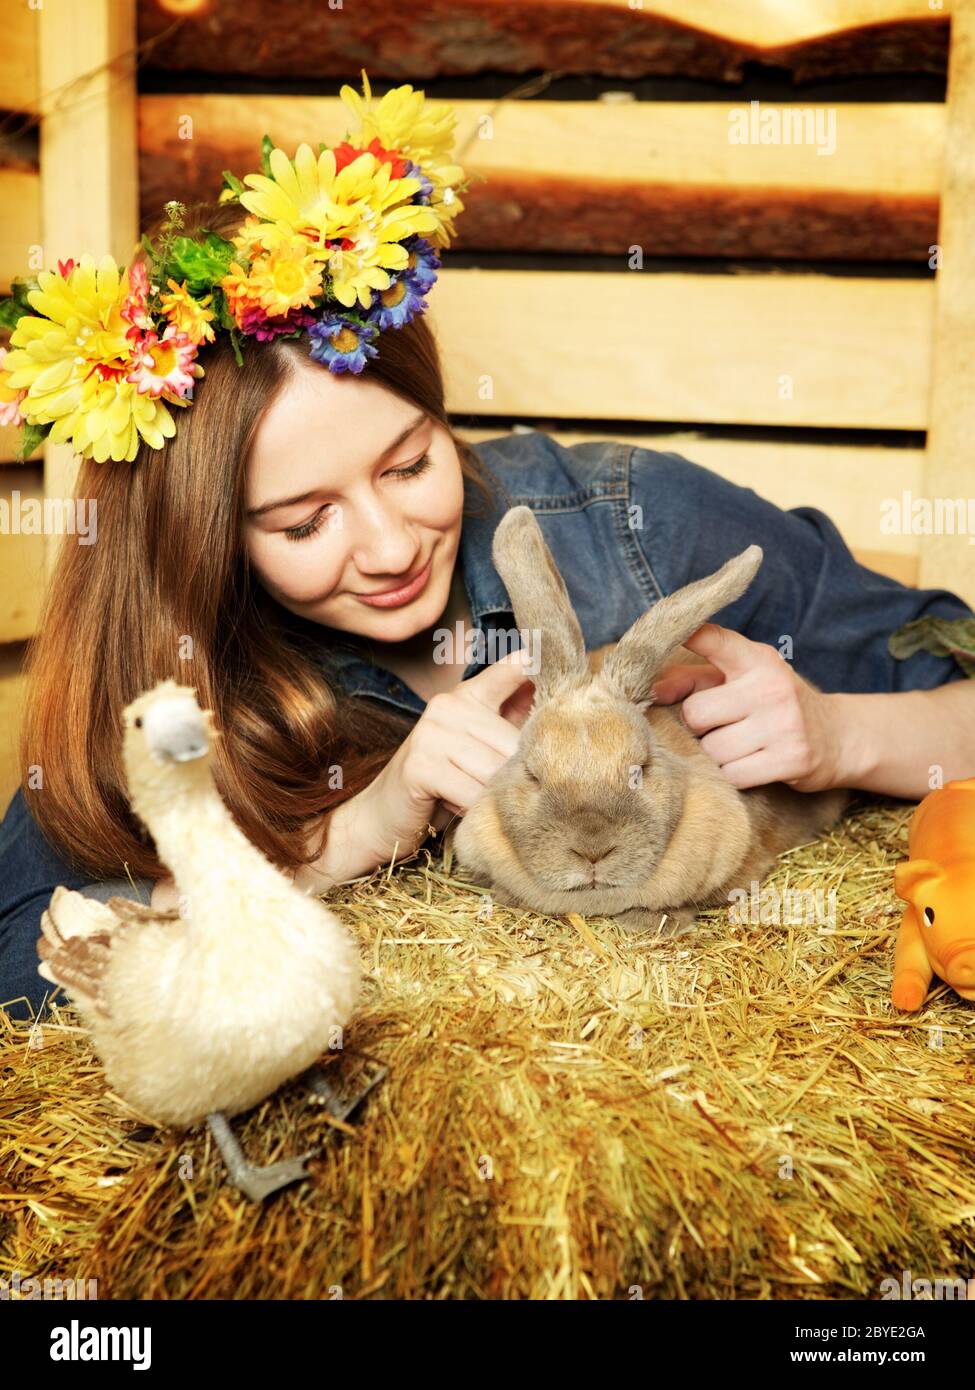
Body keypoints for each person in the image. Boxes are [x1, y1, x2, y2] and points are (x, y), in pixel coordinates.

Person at [3, 191, 974, 1019]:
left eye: (411, 462)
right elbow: (18, 967)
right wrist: (345, 838)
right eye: (303, 524)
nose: (388, 548)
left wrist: (841, 731)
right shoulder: (173, 662)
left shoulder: (631, 522)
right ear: (202, 541)